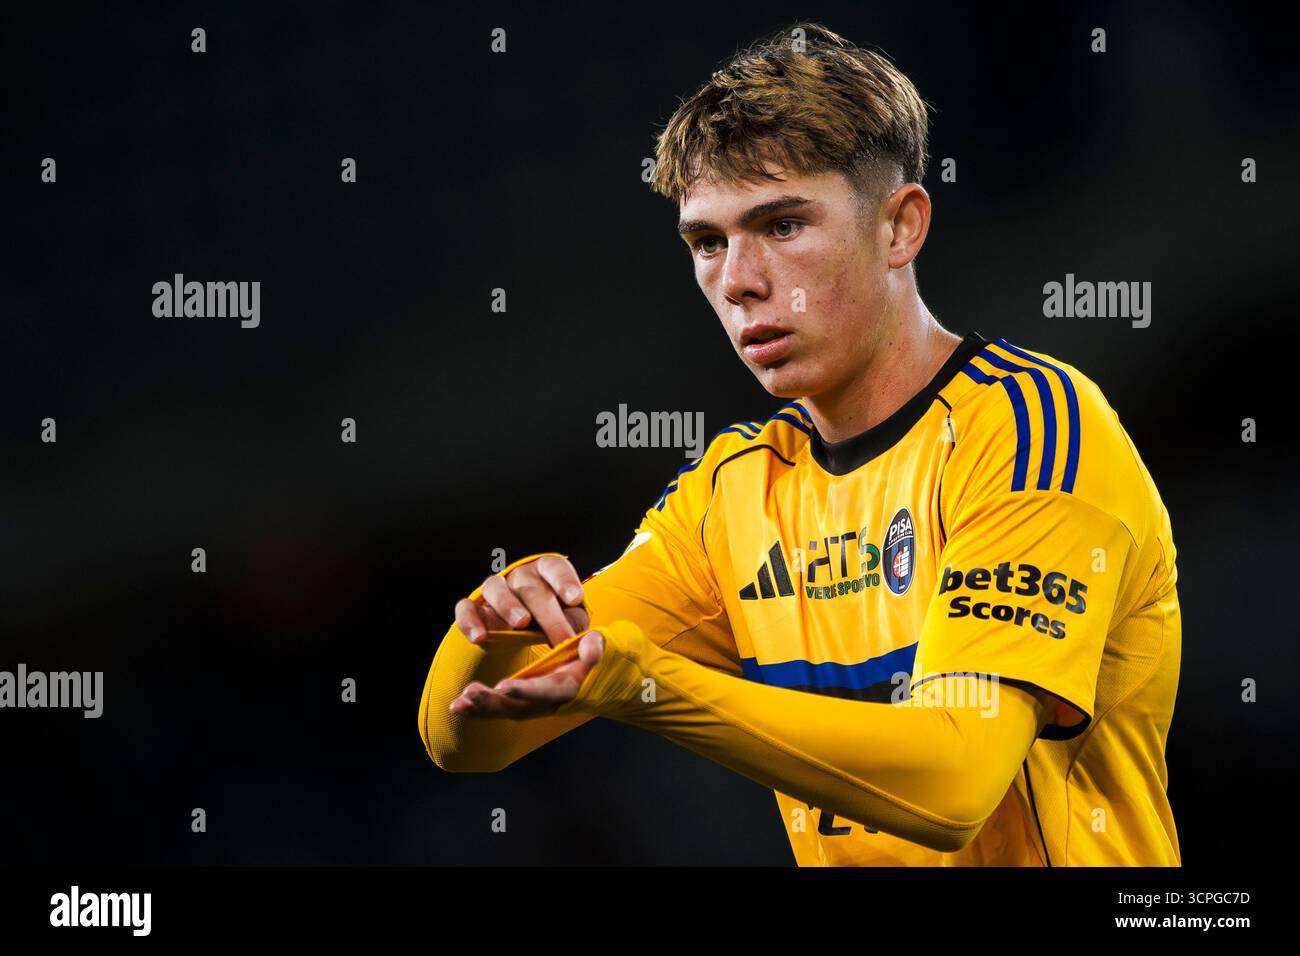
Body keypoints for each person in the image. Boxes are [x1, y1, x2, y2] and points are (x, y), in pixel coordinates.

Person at [418, 22, 1181, 866]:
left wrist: (648, 686)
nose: (739, 280)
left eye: (781, 226)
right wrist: (493, 624)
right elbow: (465, 740)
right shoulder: (732, 492)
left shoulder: (1031, 428)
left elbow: (956, 782)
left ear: (900, 227)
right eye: (708, 242)